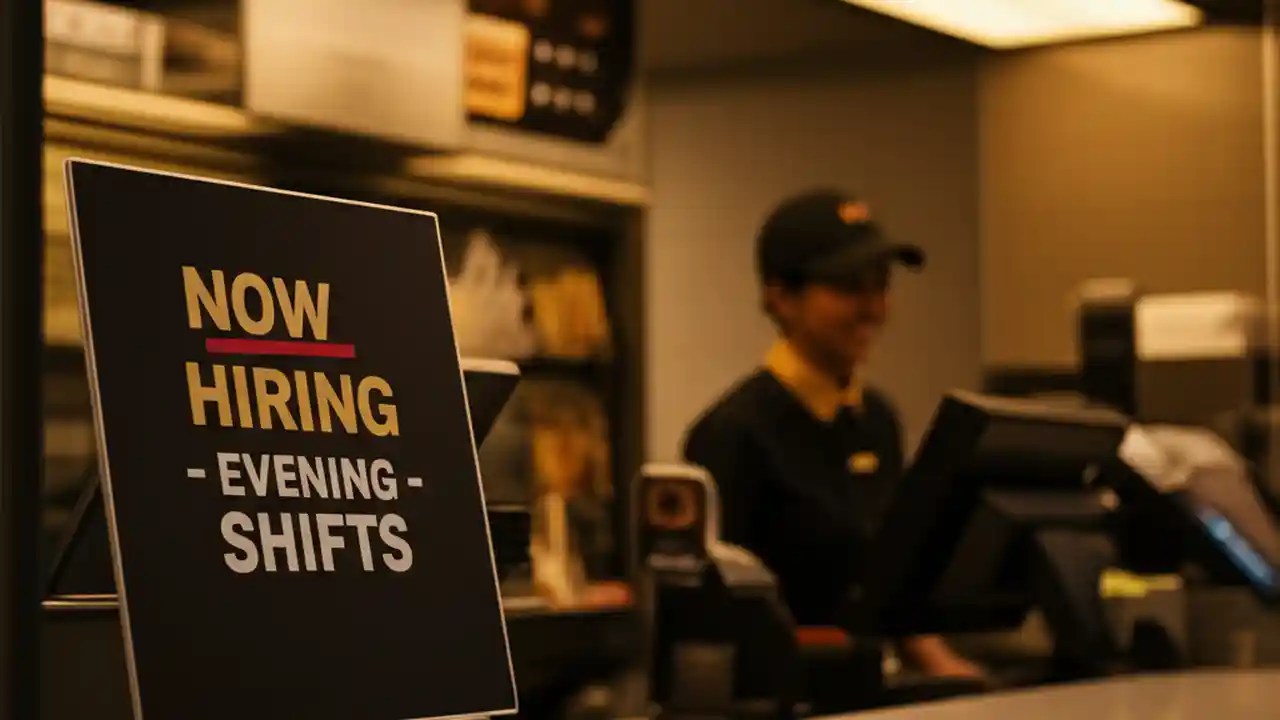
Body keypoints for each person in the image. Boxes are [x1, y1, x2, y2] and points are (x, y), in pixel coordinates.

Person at [682, 190, 983, 680]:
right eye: (849, 287)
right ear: (780, 298)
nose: (874, 307)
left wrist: (938, 662)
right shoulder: (732, 433)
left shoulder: (877, 420)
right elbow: (713, 623)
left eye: (881, 285)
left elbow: (886, 574)